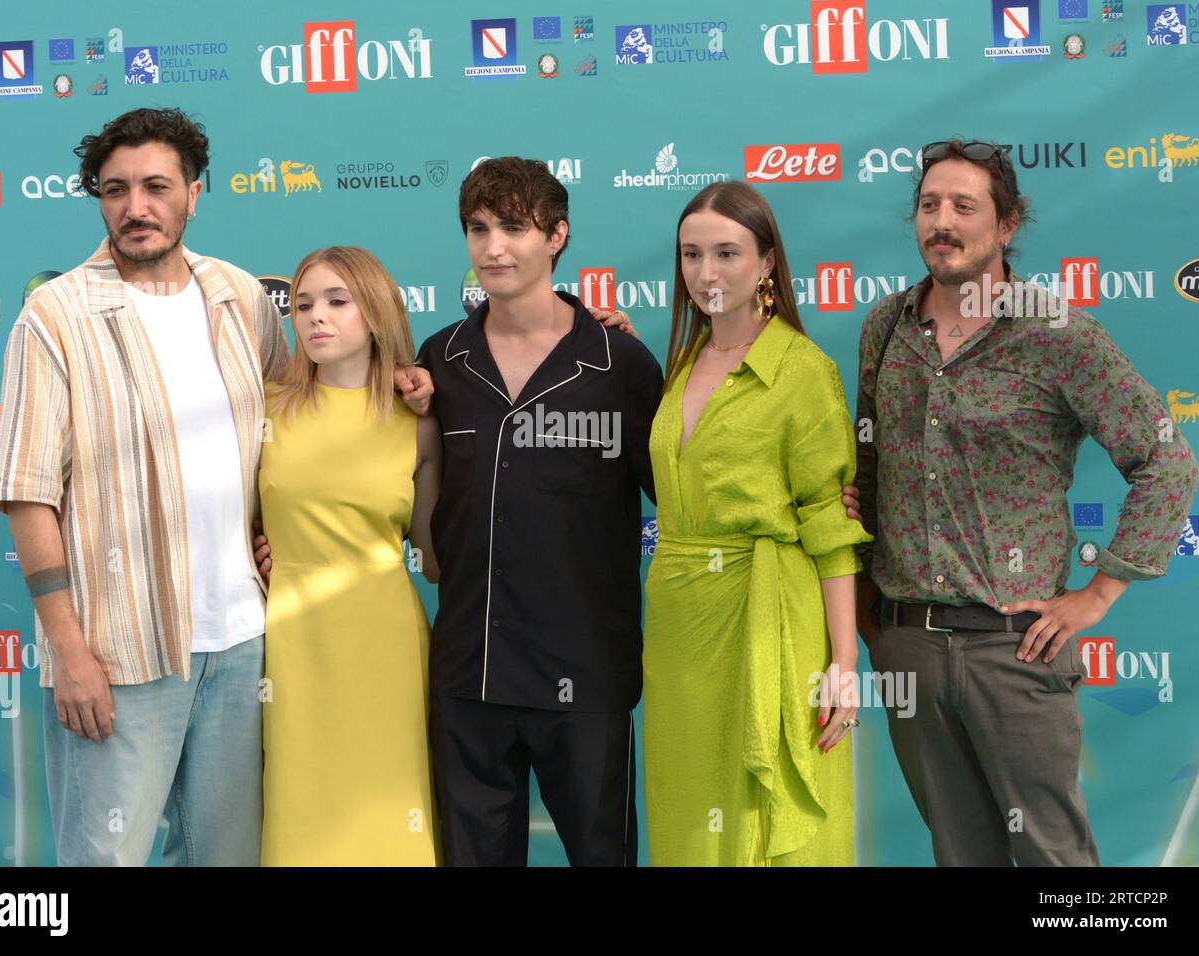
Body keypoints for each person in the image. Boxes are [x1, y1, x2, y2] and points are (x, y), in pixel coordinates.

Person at [0, 107, 431, 867]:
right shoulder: (52, 319)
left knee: (225, 856)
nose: (136, 207)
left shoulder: (240, 300)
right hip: (120, 651)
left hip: (243, 649)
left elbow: (302, 411)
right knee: (106, 858)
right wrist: (68, 649)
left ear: (194, 193)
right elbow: (29, 493)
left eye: (156, 186)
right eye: (115, 188)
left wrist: (398, 383)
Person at [852, 139, 1199, 866]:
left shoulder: (1059, 335)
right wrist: (870, 622)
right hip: (907, 646)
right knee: (960, 854)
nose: (940, 221)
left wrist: (1098, 596)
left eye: (963, 206)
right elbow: (871, 466)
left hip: (1015, 650)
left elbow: (1167, 461)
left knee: (1054, 859)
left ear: (1007, 225)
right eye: (928, 205)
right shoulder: (886, 328)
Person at [414, 157, 664, 866]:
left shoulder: (620, 363)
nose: (493, 247)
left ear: (557, 236)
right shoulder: (441, 359)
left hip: (584, 675)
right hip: (470, 674)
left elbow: (684, 496)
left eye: (514, 228)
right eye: (478, 228)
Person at [641, 181, 871, 866]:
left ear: (768, 263)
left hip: (770, 622)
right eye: (691, 255)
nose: (706, 274)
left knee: (767, 820)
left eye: (727, 254)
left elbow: (831, 534)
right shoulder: (682, 364)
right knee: (689, 817)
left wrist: (844, 664)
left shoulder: (802, 372)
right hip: (680, 631)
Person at [258, 247, 442, 866]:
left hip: (383, 636)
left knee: (389, 813)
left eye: (338, 301)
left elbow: (436, 554)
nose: (316, 317)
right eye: (305, 304)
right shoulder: (264, 409)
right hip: (288, 637)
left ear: (376, 312)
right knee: (300, 811)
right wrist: (252, 550)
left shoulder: (417, 418)